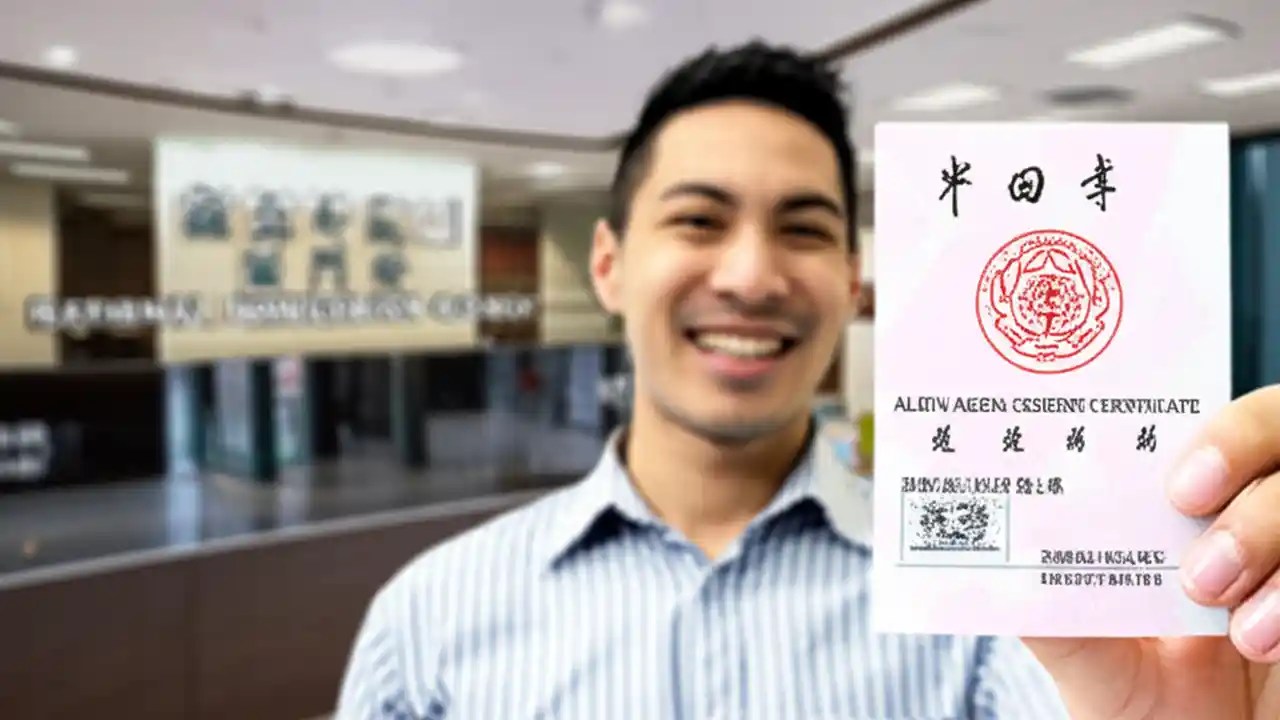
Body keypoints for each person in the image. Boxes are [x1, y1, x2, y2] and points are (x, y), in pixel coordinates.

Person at [337, 41, 1280, 719]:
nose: (751, 277)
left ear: (853, 280)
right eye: (699, 220)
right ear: (609, 265)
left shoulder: (994, 610)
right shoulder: (428, 619)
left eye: (803, 227)